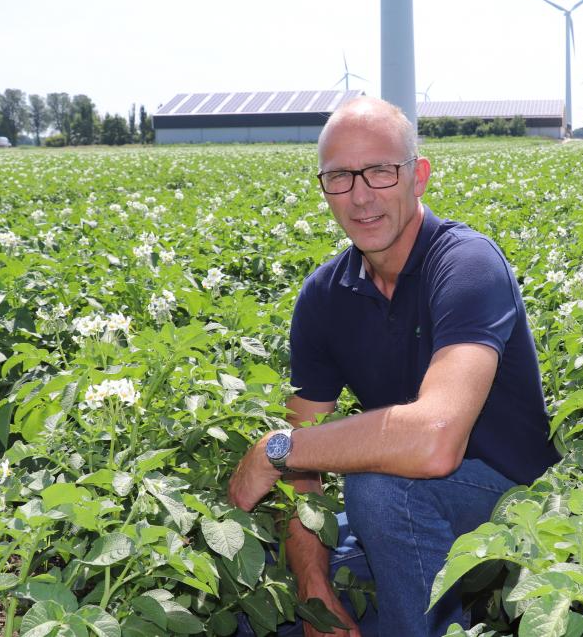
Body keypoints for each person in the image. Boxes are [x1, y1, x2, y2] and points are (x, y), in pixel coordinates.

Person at [228, 97, 560, 637]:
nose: (360, 196)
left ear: (418, 177)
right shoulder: (323, 296)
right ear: (323, 189)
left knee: (380, 488)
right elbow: (302, 479)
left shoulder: (466, 264)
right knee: (257, 604)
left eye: (380, 171)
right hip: (402, 519)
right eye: (339, 177)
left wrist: (277, 450)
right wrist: (316, 595)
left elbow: (434, 441)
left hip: (510, 503)